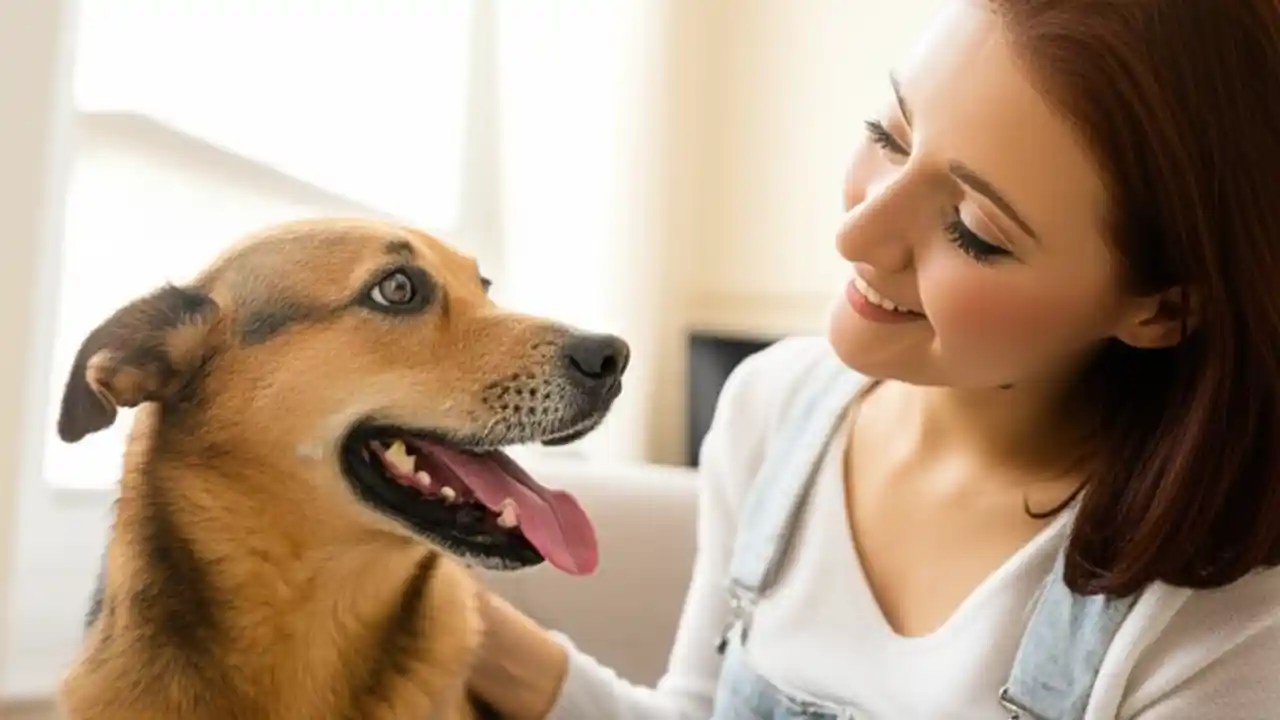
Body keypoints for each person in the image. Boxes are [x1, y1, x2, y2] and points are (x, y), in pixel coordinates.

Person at [468, 1, 1280, 717]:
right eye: (889, 135)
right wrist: (462, 624)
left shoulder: (1220, 624)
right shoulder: (773, 408)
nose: (856, 234)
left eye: (974, 230)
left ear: (1161, 309)